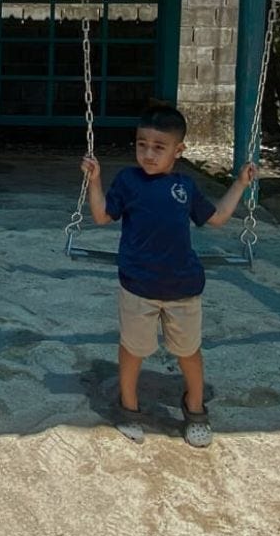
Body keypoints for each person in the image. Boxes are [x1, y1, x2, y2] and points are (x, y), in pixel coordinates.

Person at [82, 107, 255, 448]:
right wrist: (95, 180)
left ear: (179, 151)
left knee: (188, 350)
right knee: (134, 348)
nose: (148, 153)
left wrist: (240, 183)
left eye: (158, 147)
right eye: (141, 144)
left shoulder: (184, 186)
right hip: (137, 285)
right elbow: (102, 216)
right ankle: (129, 407)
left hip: (183, 285)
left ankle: (194, 407)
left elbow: (216, 218)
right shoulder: (128, 181)